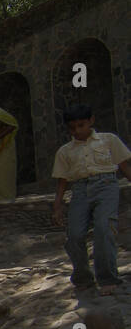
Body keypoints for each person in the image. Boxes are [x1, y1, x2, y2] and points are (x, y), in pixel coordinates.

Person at [51, 103, 131, 296]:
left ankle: (107, 278)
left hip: (106, 186)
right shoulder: (65, 151)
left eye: (81, 125)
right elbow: (62, 181)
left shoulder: (109, 140)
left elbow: (124, 166)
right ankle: (83, 278)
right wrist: (58, 204)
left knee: (104, 228)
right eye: (73, 128)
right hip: (80, 191)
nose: (78, 131)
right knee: (75, 235)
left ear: (91, 121)